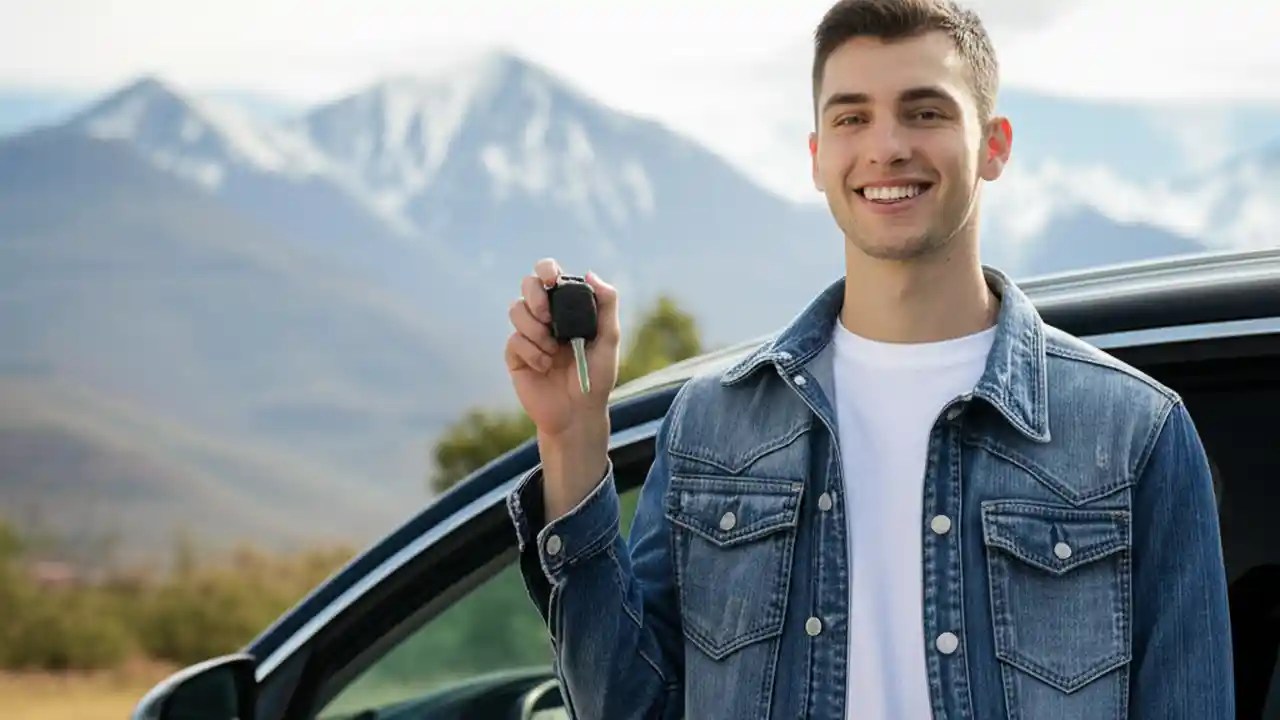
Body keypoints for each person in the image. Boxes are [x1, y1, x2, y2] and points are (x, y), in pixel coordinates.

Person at [502, 0, 1235, 717]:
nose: (886, 147)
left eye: (925, 112)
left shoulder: (1134, 433)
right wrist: (571, 438)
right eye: (852, 117)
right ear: (818, 157)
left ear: (995, 144)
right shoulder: (714, 426)